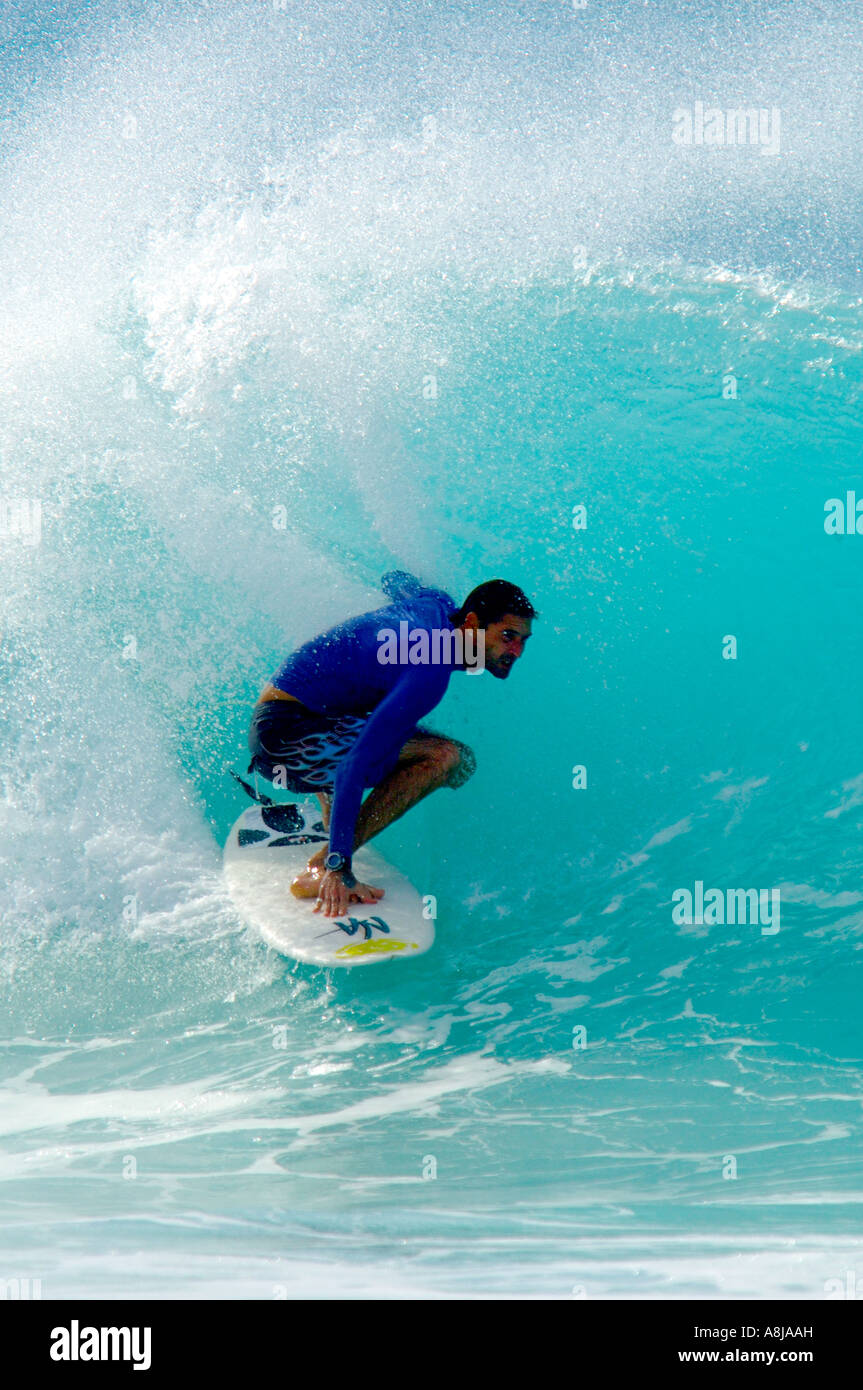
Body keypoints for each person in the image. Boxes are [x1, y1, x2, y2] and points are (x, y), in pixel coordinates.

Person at [246, 572, 535, 917]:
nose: (516, 651)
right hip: (287, 742)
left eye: (522, 640)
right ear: (471, 623)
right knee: (446, 757)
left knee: (389, 719)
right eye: (507, 636)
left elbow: (395, 581)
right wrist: (340, 867)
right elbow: (355, 764)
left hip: (296, 717)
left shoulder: (437, 606)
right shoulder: (431, 666)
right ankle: (323, 867)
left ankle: (333, 816)